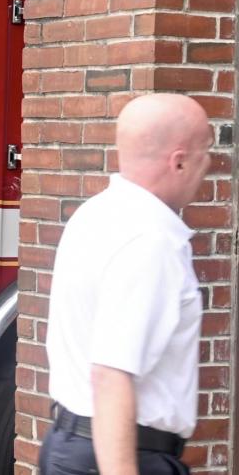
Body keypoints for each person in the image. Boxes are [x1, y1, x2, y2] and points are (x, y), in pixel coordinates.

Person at [41, 94, 213, 475]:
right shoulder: (151, 241)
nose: (209, 164)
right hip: (123, 456)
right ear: (179, 161)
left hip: (72, 447)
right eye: (206, 151)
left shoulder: (95, 215)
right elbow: (112, 374)